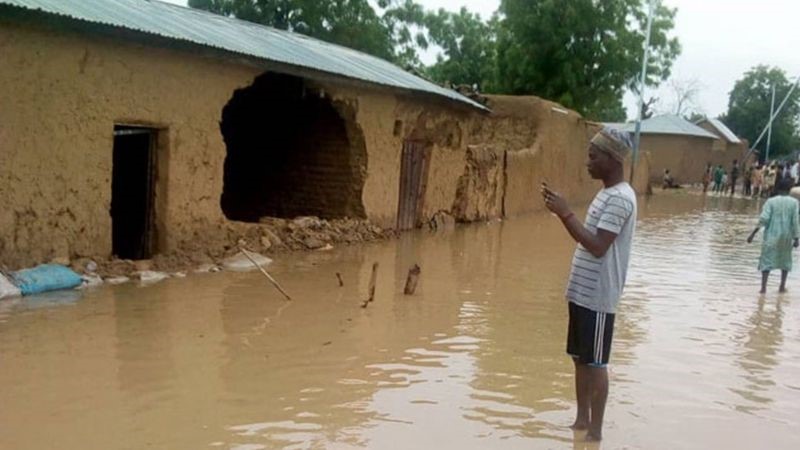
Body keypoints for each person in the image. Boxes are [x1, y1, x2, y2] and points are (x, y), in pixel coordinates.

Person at [540, 126, 636, 442]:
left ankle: (595, 432)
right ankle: (581, 421)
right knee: (580, 359)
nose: (588, 163)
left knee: (596, 362)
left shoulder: (621, 199)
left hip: (598, 297)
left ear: (612, 158)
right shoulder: (606, 193)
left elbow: (597, 246)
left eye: (593, 157)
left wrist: (565, 214)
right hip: (582, 293)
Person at [747, 177, 800, 293]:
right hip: (786, 237)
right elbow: (796, 221)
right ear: (789, 189)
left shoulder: (771, 201)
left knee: (766, 261)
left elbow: (763, 219)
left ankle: (763, 288)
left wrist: (753, 234)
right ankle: (781, 287)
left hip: (771, 236)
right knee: (785, 261)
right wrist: (796, 238)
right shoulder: (794, 203)